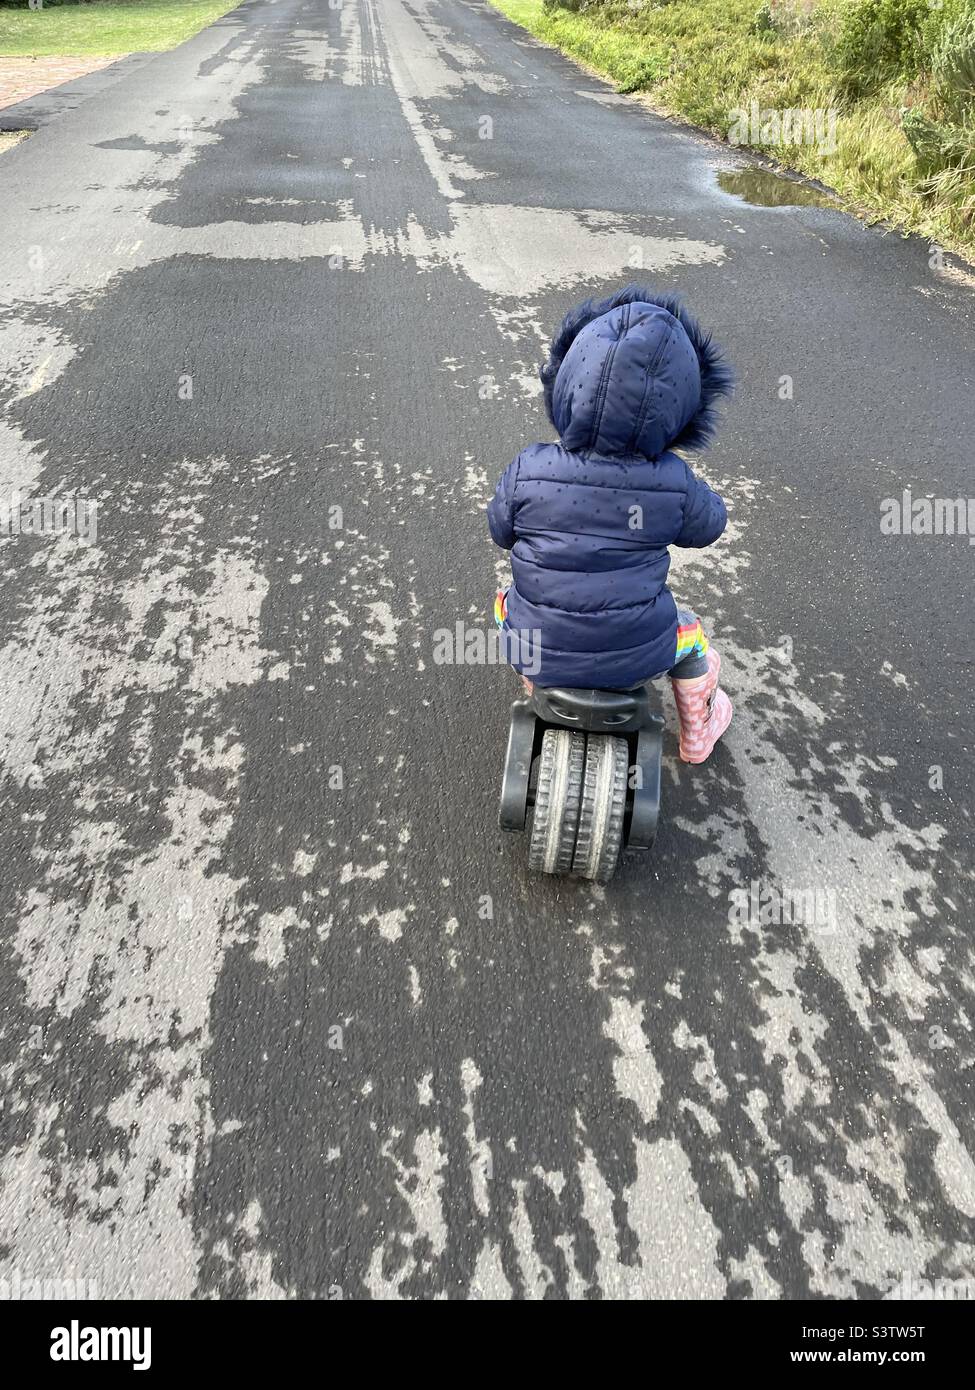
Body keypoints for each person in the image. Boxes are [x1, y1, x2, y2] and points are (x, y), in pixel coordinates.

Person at [488, 284, 734, 765]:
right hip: (640, 654)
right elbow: (710, 527)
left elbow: (500, 530)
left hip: (535, 644)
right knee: (692, 638)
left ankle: (538, 682)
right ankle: (697, 733)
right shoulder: (672, 482)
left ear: (565, 384)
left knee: (506, 602)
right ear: (684, 410)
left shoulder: (529, 468)